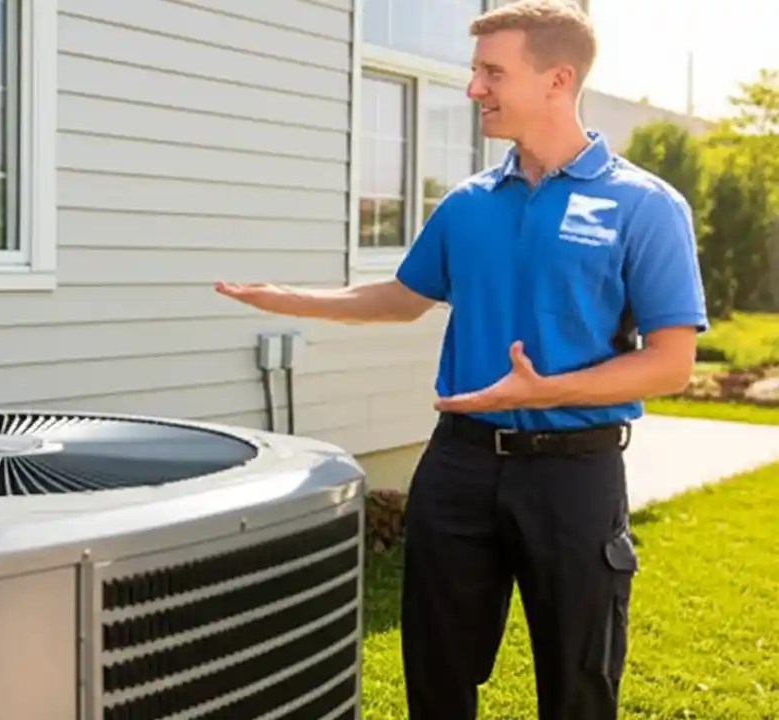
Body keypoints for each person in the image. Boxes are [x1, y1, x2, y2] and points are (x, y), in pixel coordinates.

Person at [216, 1, 707, 718]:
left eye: (491, 72)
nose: (473, 88)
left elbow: (670, 363)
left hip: (575, 474)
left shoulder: (644, 206)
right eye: (475, 71)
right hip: (459, 466)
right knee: (437, 670)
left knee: (578, 681)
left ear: (556, 80)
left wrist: (546, 390)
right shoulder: (469, 204)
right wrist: (293, 300)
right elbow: (403, 297)